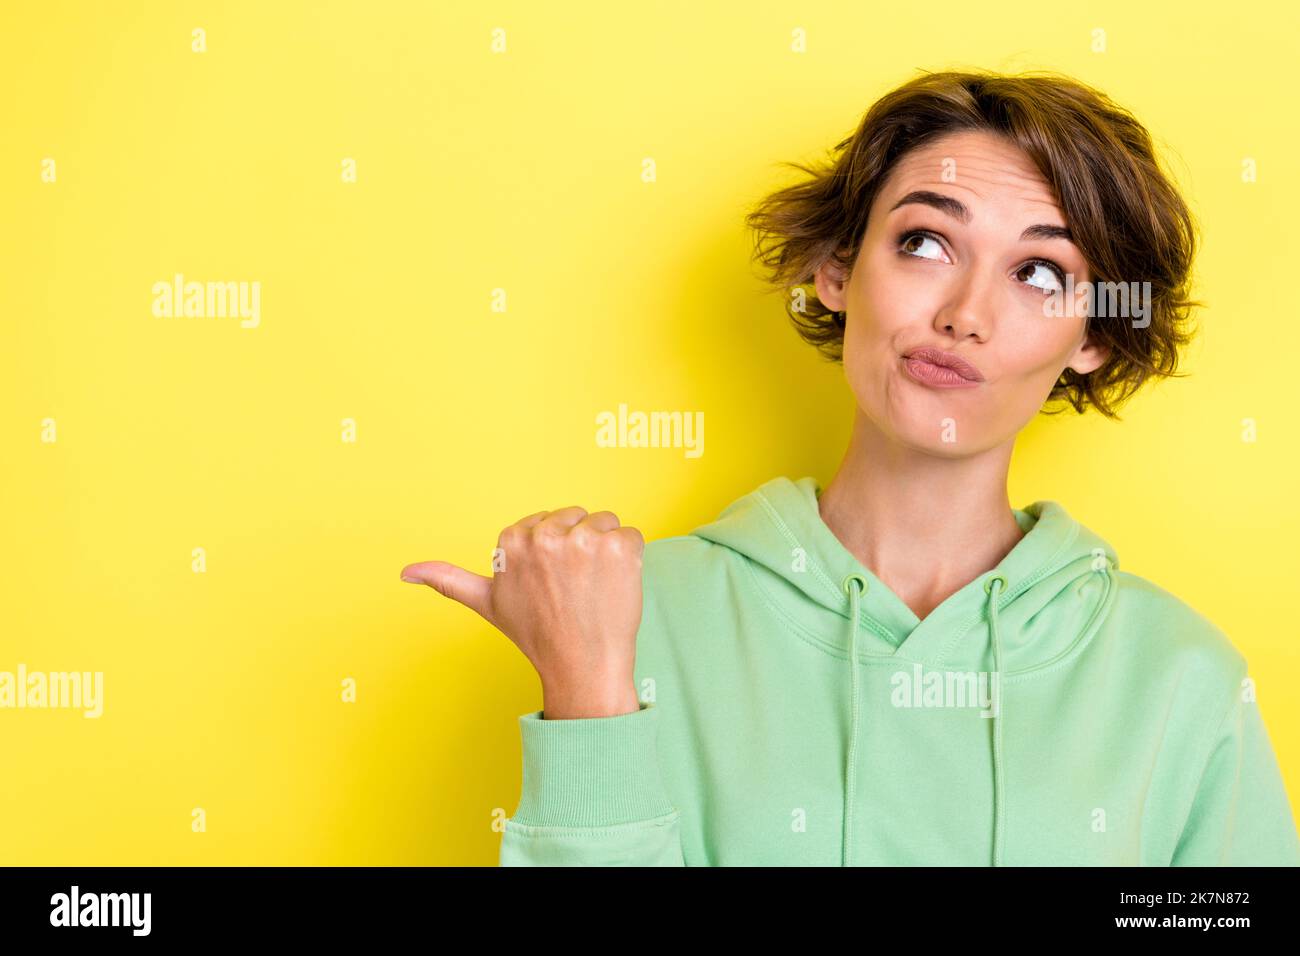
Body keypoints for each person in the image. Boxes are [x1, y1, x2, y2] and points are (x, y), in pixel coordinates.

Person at [401, 69, 1300, 866]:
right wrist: (588, 700)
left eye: (1037, 271)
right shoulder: (624, 619)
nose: (966, 314)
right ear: (838, 268)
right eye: (925, 243)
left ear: (1094, 337)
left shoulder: (1182, 677)